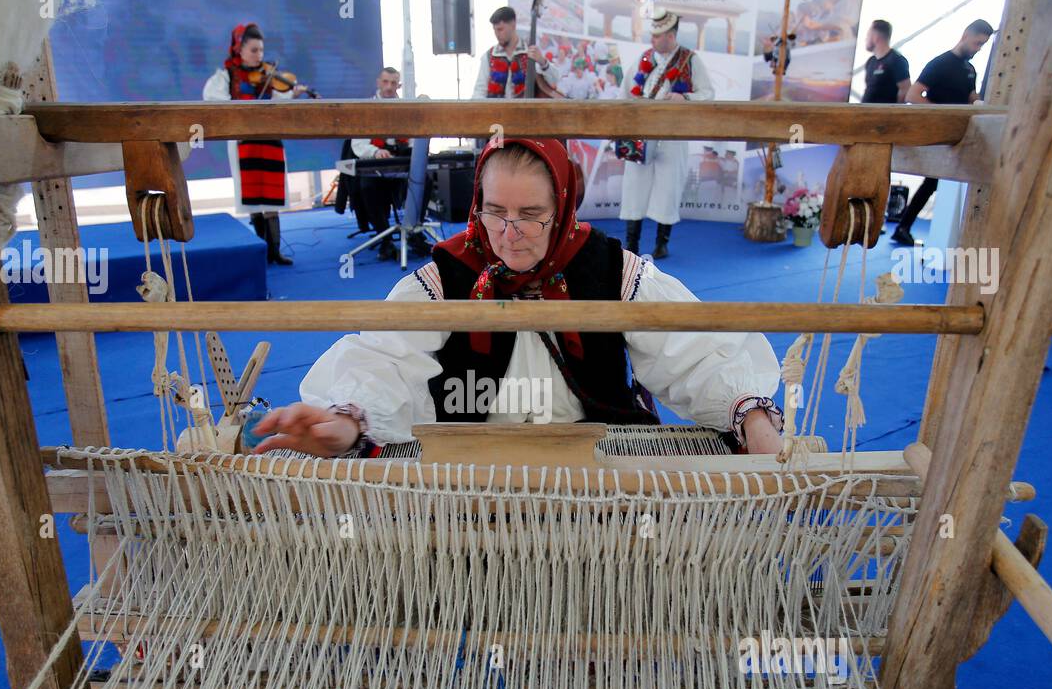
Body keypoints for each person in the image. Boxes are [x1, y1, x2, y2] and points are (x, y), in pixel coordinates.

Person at [248, 137, 784, 458]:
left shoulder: (607, 268)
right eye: (495, 211)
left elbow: (690, 347)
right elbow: (387, 357)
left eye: (531, 215)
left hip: (599, 460)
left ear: (564, 206)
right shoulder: (448, 277)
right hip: (480, 470)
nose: (510, 231)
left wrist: (750, 415)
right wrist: (347, 419)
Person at [202, 22, 307, 266]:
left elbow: (281, 98)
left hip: (269, 142)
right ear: (239, 49)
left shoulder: (268, 76)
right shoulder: (227, 76)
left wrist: (293, 94)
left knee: (272, 196)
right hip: (244, 144)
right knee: (253, 198)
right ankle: (261, 250)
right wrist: (238, 106)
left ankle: (274, 251)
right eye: (253, 50)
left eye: (261, 50)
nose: (259, 55)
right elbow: (211, 97)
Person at [618, 7, 714, 260]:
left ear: (671, 36)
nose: (652, 40)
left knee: (668, 189)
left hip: (673, 135)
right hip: (642, 134)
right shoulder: (643, 59)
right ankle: (632, 243)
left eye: (658, 36)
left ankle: (662, 243)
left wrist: (685, 96)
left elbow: (707, 93)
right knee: (634, 187)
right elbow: (625, 94)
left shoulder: (690, 60)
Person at [891, 20, 994, 247]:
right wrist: (940, 114)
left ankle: (904, 226)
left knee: (935, 183)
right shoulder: (940, 63)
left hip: (962, 134)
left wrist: (982, 104)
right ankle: (903, 226)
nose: (978, 49)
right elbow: (913, 95)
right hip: (939, 135)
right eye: (977, 43)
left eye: (982, 46)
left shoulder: (970, 69)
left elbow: (970, 95)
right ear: (966, 34)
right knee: (932, 182)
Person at [351, 67, 411, 261]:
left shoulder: (407, 109)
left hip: (401, 166)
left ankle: (413, 231)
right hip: (376, 167)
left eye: (393, 83)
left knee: (423, 181)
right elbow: (358, 144)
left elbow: (414, 141)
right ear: (378, 82)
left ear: (398, 85)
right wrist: (376, 152)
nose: (389, 87)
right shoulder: (365, 109)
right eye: (385, 82)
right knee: (367, 187)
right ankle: (385, 239)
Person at [473, 6, 558, 99]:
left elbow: (554, 80)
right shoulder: (489, 56)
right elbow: (479, 90)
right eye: (495, 30)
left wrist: (542, 62)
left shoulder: (529, 53)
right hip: (496, 112)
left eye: (500, 29)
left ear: (513, 25)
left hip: (524, 112)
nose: (497, 34)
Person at [861, 20, 910, 104]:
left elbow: (905, 90)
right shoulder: (871, 61)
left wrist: (894, 113)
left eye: (868, 34)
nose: (865, 39)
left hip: (885, 115)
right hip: (866, 114)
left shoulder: (896, 60)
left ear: (875, 36)